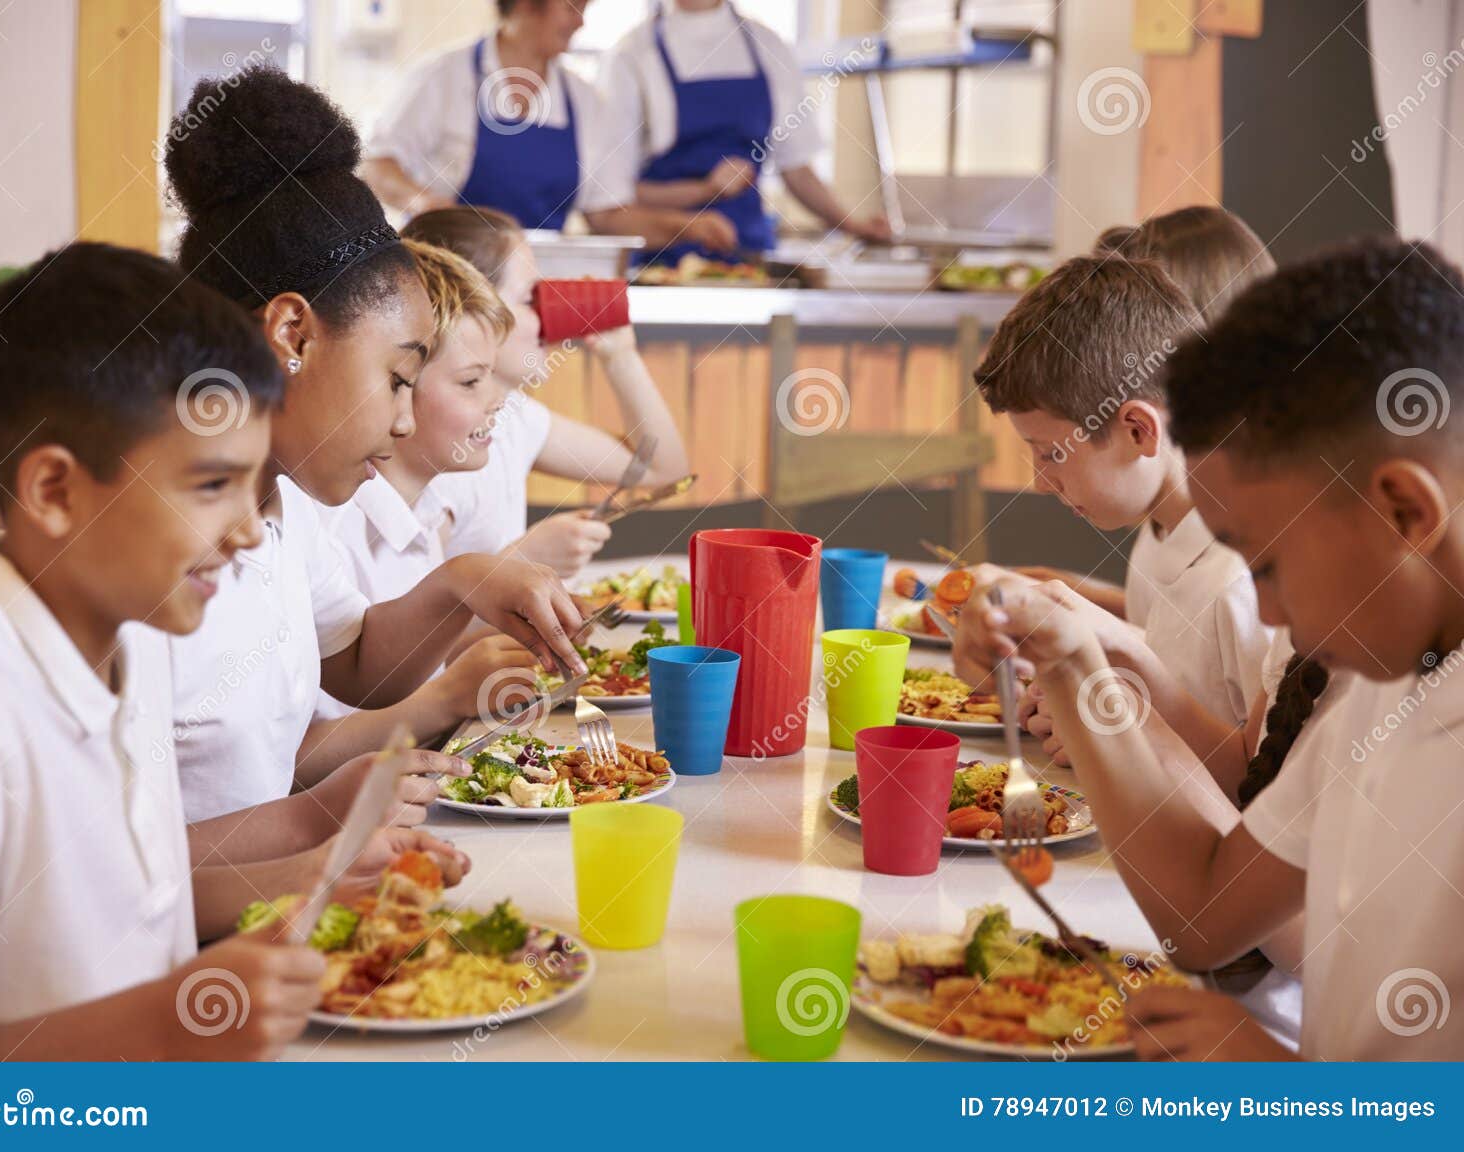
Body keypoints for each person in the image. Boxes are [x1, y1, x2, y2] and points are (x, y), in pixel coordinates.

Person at [955, 237, 1464, 1060]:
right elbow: (1202, 910)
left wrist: (1284, 1088)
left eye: (1265, 561)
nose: (1263, 606)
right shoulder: (1377, 684)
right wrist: (1072, 660)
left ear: (1403, 511)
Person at [0, 243, 328, 1059]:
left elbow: (120, 908)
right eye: (211, 486)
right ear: (54, 491)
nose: (251, 530)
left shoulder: (134, 639)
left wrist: (310, 878)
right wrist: (160, 1025)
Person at [160, 67, 587, 836]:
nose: (401, 421)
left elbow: (355, 665)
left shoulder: (281, 503)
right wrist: (314, 829)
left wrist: (465, 580)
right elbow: (111, 872)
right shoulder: (148, 560)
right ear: (292, 336)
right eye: (397, 379)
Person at [970, 253, 1272, 727]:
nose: (1040, 483)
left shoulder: (1243, 587)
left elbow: (1262, 786)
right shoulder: (1161, 531)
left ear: (1137, 431)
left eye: (1050, 452)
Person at [302, 241, 539, 774]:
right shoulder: (330, 527)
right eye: (472, 381)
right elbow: (293, 756)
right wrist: (449, 695)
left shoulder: (426, 513)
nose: (497, 399)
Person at [403, 206, 690, 577]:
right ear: (475, 309)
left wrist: (621, 356)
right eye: (529, 298)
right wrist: (520, 563)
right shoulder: (436, 457)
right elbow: (416, 630)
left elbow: (661, 469)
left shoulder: (510, 417)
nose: (548, 312)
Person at [361, 0, 736, 255]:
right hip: (444, 282)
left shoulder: (585, 101)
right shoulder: (443, 76)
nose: (580, 21)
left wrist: (686, 226)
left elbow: (606, 215)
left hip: (536, 291)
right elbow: (377, 166)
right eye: (572, 6)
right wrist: (422, 201)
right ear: (526, 4)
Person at [601, 0, 892, 264]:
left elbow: (798, 171)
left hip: (749, 260)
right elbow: (613, 198)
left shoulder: (768, 47)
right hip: (659, 266)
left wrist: (853, 226)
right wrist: (705, 191)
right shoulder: (632, 54)